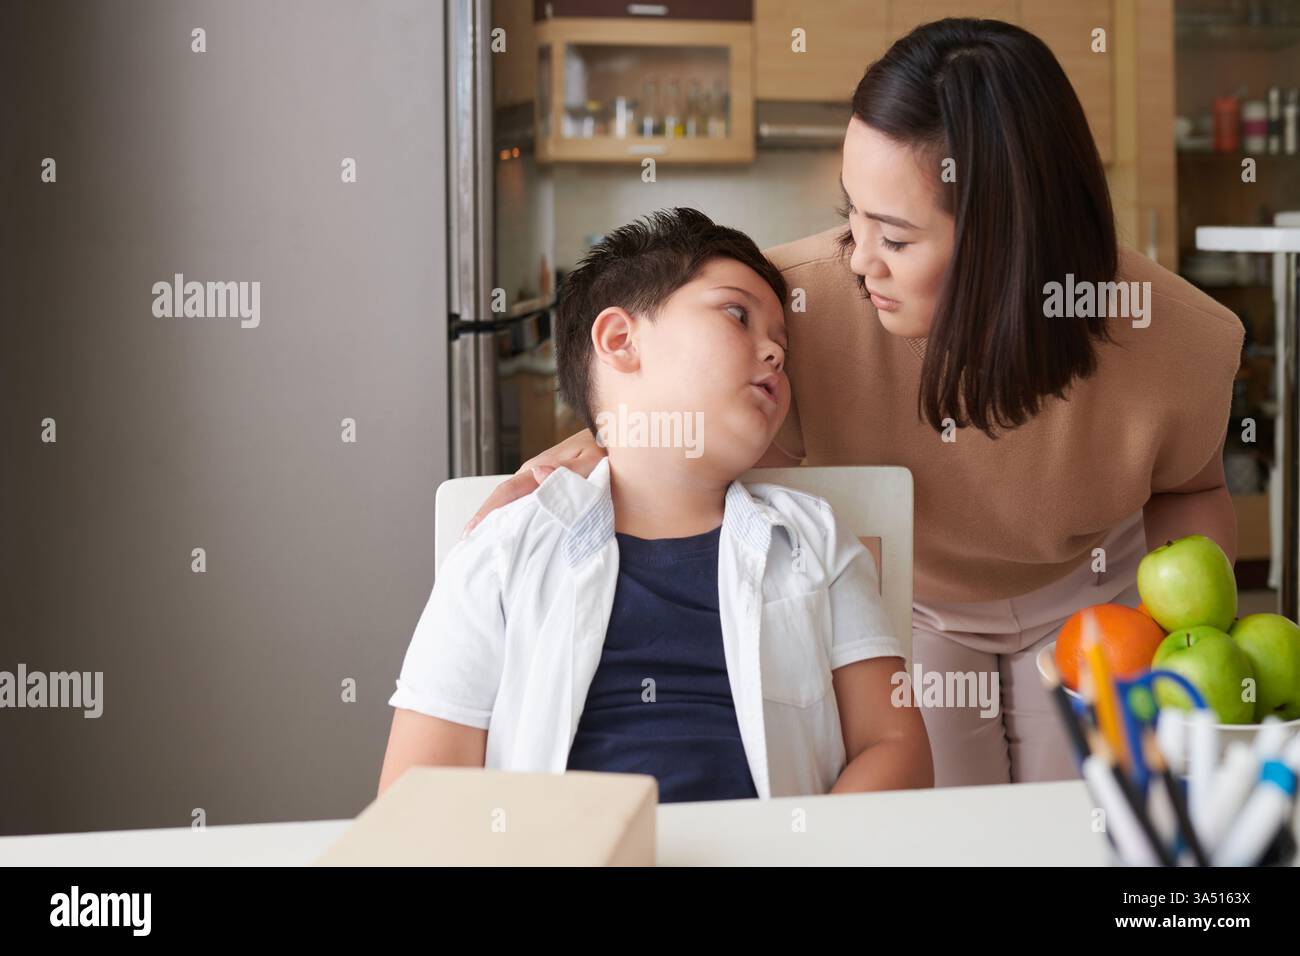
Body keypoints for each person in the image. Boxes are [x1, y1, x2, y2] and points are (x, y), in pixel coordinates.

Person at [464, 20, 1244, 787]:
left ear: (1010, 242)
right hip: (914, 600)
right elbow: (684, 402)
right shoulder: (792, 305)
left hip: (1092, 602)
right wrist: (613, 440)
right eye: (851, 214)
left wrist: (1181, 642)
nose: (860, 259)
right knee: (953, 835)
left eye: (896, 239)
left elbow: (1190, 489)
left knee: (1082, 828)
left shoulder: (1181, 337)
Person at [379, 207, 933, 800]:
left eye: (782, 344)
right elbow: (420, 794)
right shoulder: (500, 552)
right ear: (620, 341)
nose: (773, 353)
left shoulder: (816, 541)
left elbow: (893, 746)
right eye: (737, 315)